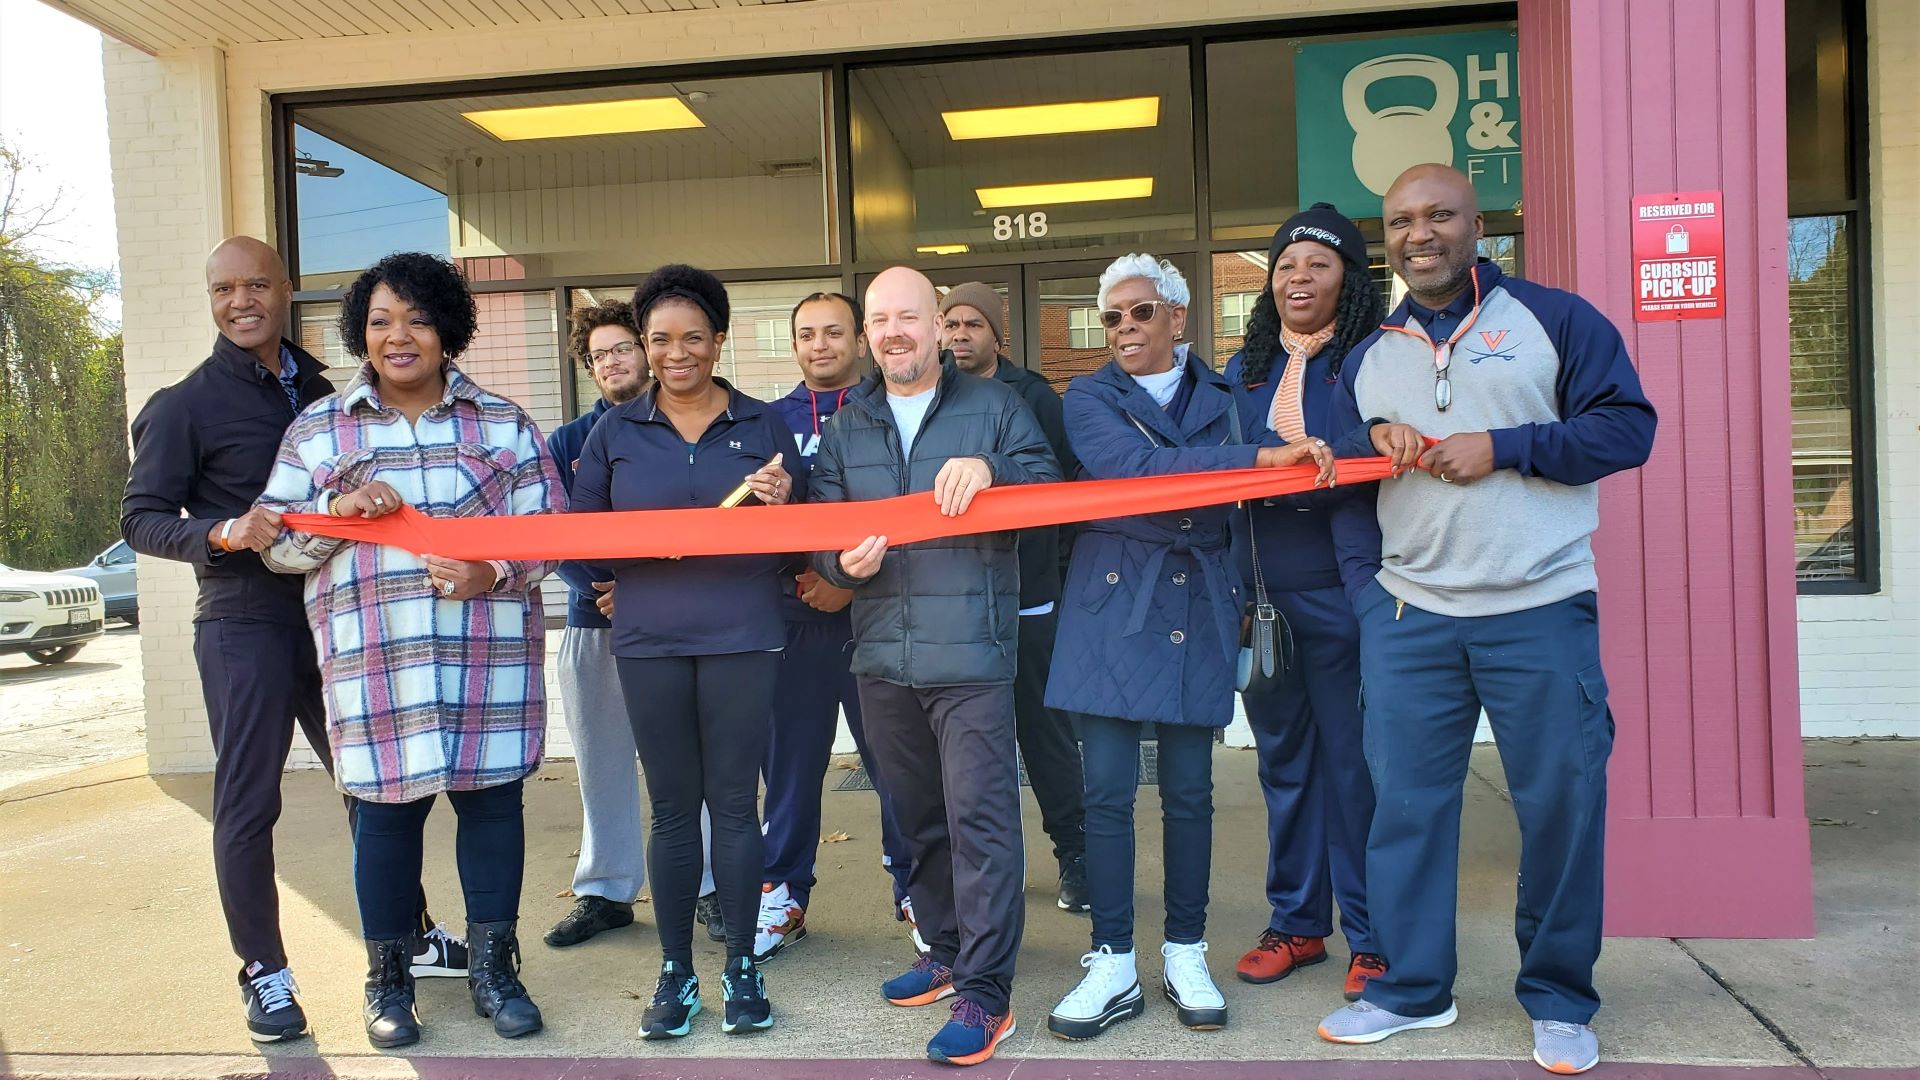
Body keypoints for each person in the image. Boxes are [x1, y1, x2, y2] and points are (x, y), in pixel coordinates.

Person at [1315, 164, 1656, 1076]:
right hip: (1410, 615)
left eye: (1439, 216)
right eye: (1400, 221)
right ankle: (1412, 989)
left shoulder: (1556, 320)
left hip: (1538, 605)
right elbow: (1342, 469)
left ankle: (1559, 999)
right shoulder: (1368, 354)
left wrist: (1505, 447)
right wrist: (1369, 453)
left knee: (1561, 806)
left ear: (1478, 226)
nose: (1418, 234)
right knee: (1406, 811)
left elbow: (1629, 428)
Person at [120, 237, 463, 1045]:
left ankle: (409, 937)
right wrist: (223, 531)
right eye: (223, 289)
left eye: (255, 285)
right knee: (248, 803)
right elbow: (139, 518)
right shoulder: (184, 404)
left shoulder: (321, 390)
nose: (240, 301)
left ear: (285, 291)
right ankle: (263, 972)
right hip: (246, 624)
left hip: (336, 620)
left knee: (376, 790)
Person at [256, 252, 566, 1048]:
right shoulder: (318, 430)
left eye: (418, 319)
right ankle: (388, 982)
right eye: (381, 321)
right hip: (375, 665)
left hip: (485, 662)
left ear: (446, 329)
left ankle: (495, 973)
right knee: (384, 823)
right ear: (360, 334)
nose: (399, 337)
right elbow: (277, 545)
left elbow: (549, 533)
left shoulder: (503, 423)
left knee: (492, 810)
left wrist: (490, 572)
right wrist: (338, 510)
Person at [1041, 255, 1335, 1041]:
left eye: (1141, 312)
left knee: (1190, 793)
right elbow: (1134, 469)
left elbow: (1263, 492)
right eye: (1111, 317)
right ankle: (1111, 959)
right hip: (1112, 606)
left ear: (1178, 317)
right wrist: (1255, 461)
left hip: (1201, 601)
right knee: (1106, 793)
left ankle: (1185, 950)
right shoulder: (1088, 398)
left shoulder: (1229, 397)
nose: (1124, 328)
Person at [810, 266, 1060, 1066]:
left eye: (908, 317)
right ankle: (945, 950)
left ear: (938, 326)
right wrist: (840, 564)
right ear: (867, 335)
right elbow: (821, 530)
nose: (894, 332)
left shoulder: (997, 407)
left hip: (973, 656)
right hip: (883, 657)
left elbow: (1049, 487)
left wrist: (994, 470)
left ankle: (987, 992)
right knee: (916, 820)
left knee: (980, 823)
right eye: (879, 320)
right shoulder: (849, 425)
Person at [568, 263, 799, 1040]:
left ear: (719, 341)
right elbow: (580, 535)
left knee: (734, 805)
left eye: (693, 338)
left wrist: (784, 505)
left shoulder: (763, 426)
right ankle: (676, 973)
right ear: (643, 344)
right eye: (660, 339)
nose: (676, 353)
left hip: (744, 636)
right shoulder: (614, 431)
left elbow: (801, 541)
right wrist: (631, 564)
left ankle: (742, 968)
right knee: (672, 809)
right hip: (650, 642)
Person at [1221, 204, 1387, 999]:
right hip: (1265, 603)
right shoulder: (1242, 370)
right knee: (1284, 766)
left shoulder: (1375, 359)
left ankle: (1373, 935)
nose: (1298, 278)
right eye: (1286, 265)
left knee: (1355, 770)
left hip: (1348, 593)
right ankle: (1297, 923)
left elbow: (1388, 443)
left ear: (1348, 279)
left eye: (1318, 264)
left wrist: (1323, 456)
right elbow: (1218, 462)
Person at [755, 291, 919, 962]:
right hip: (794, 617)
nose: (819, 345)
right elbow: (752, 521)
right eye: (806, 334)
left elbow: (908, 508)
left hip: (876, 617)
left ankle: (917, 889)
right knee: (789, 768)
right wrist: (805, 573)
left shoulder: (891, 411)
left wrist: (844, 583)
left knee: (897, 763)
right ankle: (782, 893)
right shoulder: (767, 420)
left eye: (833, 332)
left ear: (859, 340)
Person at [938, 282, 1090, 913]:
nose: (960, 335)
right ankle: (992, 868)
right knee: (975, 749)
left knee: (1045, 735)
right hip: (956, 601)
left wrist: (1058, 576)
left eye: (973, 324)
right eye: (951, 323)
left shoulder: (1033, 396)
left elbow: (1061, 488)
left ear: (997, 335)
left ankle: (1076, 853)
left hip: (1029, 594)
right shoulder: (930, 397)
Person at [542, 299, 651, 948]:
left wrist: (646, 592)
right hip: (594, 622)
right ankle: (606, 893)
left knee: (687, 768)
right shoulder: (567, 443)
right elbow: (554, 532)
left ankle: (707, 890)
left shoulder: (680, 427)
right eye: (598, 355)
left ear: (647, 349)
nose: (611, 362)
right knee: (602, 767)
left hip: (676, 626)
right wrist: (604, 590)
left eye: (622, 348)